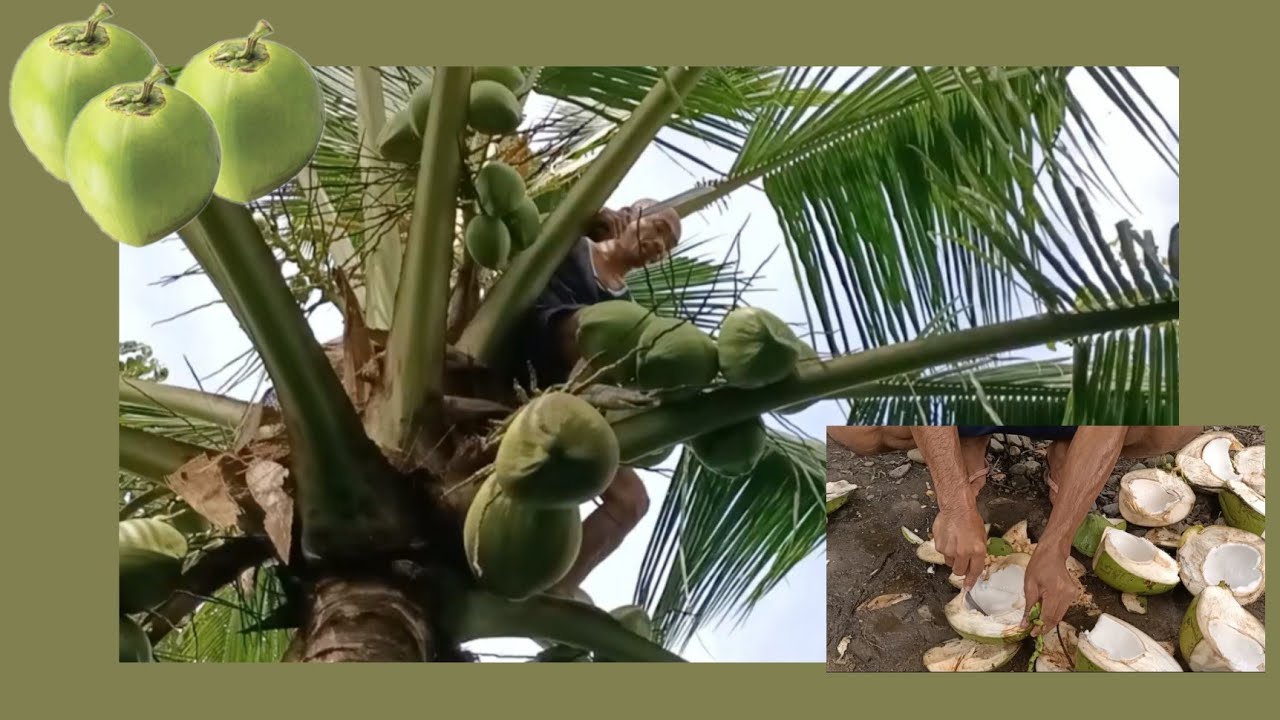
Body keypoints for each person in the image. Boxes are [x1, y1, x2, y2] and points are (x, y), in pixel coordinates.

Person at [826, 425, 1203, 636]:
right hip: (972, 385)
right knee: (854, 426)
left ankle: (1070, 451)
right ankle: (967, 437)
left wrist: (1056, 544)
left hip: (1066, 390)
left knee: (1179, 421)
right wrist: (955, 504)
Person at [507, 198, 683, 593]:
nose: (660, 244)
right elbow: (519, 218)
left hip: (545, 403)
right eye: (658, 228)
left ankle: (555, 587)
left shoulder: (629, 310)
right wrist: (584, 214)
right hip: (517, 343)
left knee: (632, 500)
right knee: (593, 330)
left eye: (667, 245)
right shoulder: (573, 241)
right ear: (630, 214)